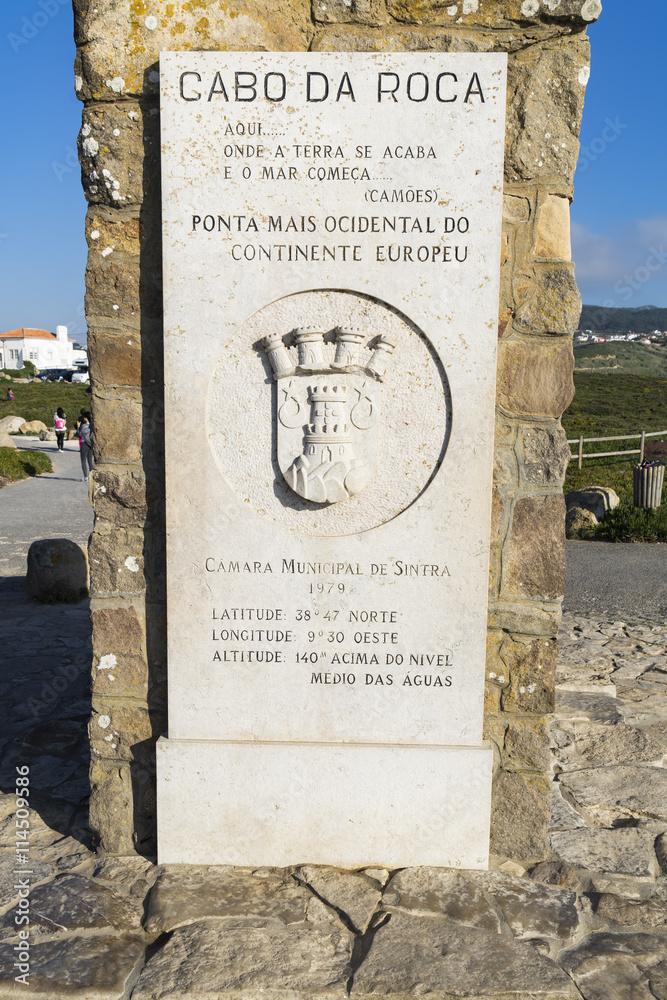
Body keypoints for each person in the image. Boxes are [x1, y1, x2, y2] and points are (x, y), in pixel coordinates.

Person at [78, 411, 95, 482]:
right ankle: (92, 476)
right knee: (90, 461)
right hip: (91, 444)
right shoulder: (92, 425)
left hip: (84, 444)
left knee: (83, 461)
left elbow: (80, 434)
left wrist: (78, 426)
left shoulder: (84, 426)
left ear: (86, 418)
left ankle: (85, 476)